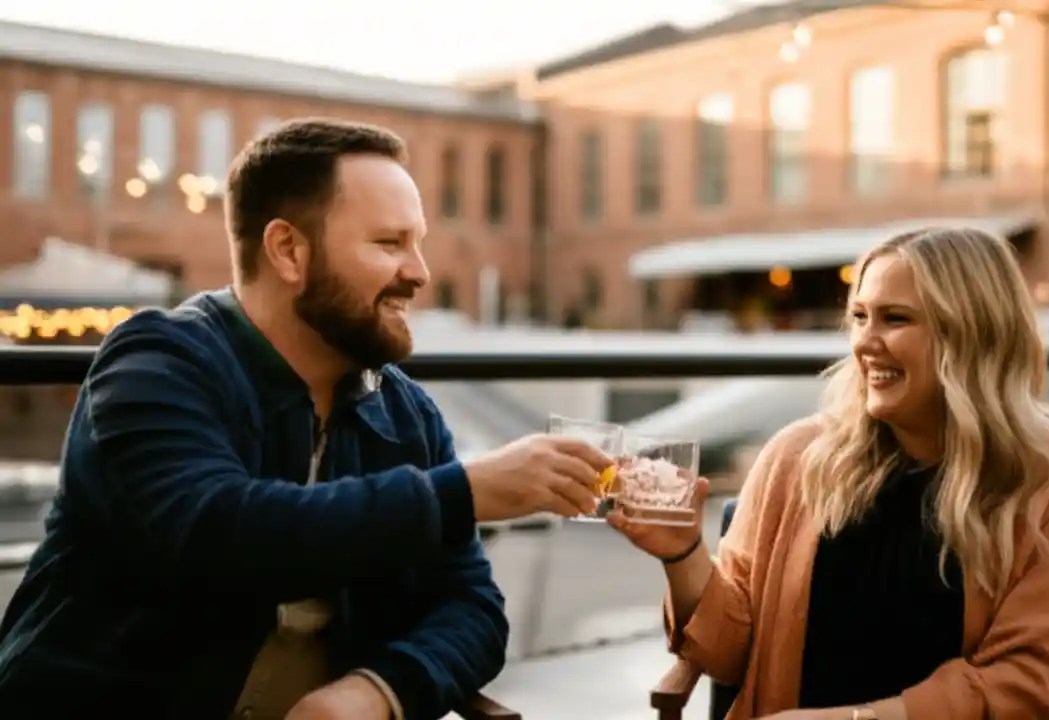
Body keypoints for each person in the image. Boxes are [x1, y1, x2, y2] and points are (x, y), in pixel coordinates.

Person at [0, 118, 613, 719]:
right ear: (289, 251)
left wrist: (379, 692)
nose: (420, 272)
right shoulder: (157, 361)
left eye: (418, 243)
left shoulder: (405, 412)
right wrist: (464, 492)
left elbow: (472, 606)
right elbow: (216, 530)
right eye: (389, 243)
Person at [611, 227, 1049, 719]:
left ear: (972, 335)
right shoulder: (797, 459)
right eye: (859, 317)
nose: (865, 343)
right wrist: (682, 553)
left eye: (895, 319)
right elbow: (729, 653)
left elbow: (1027, 686)